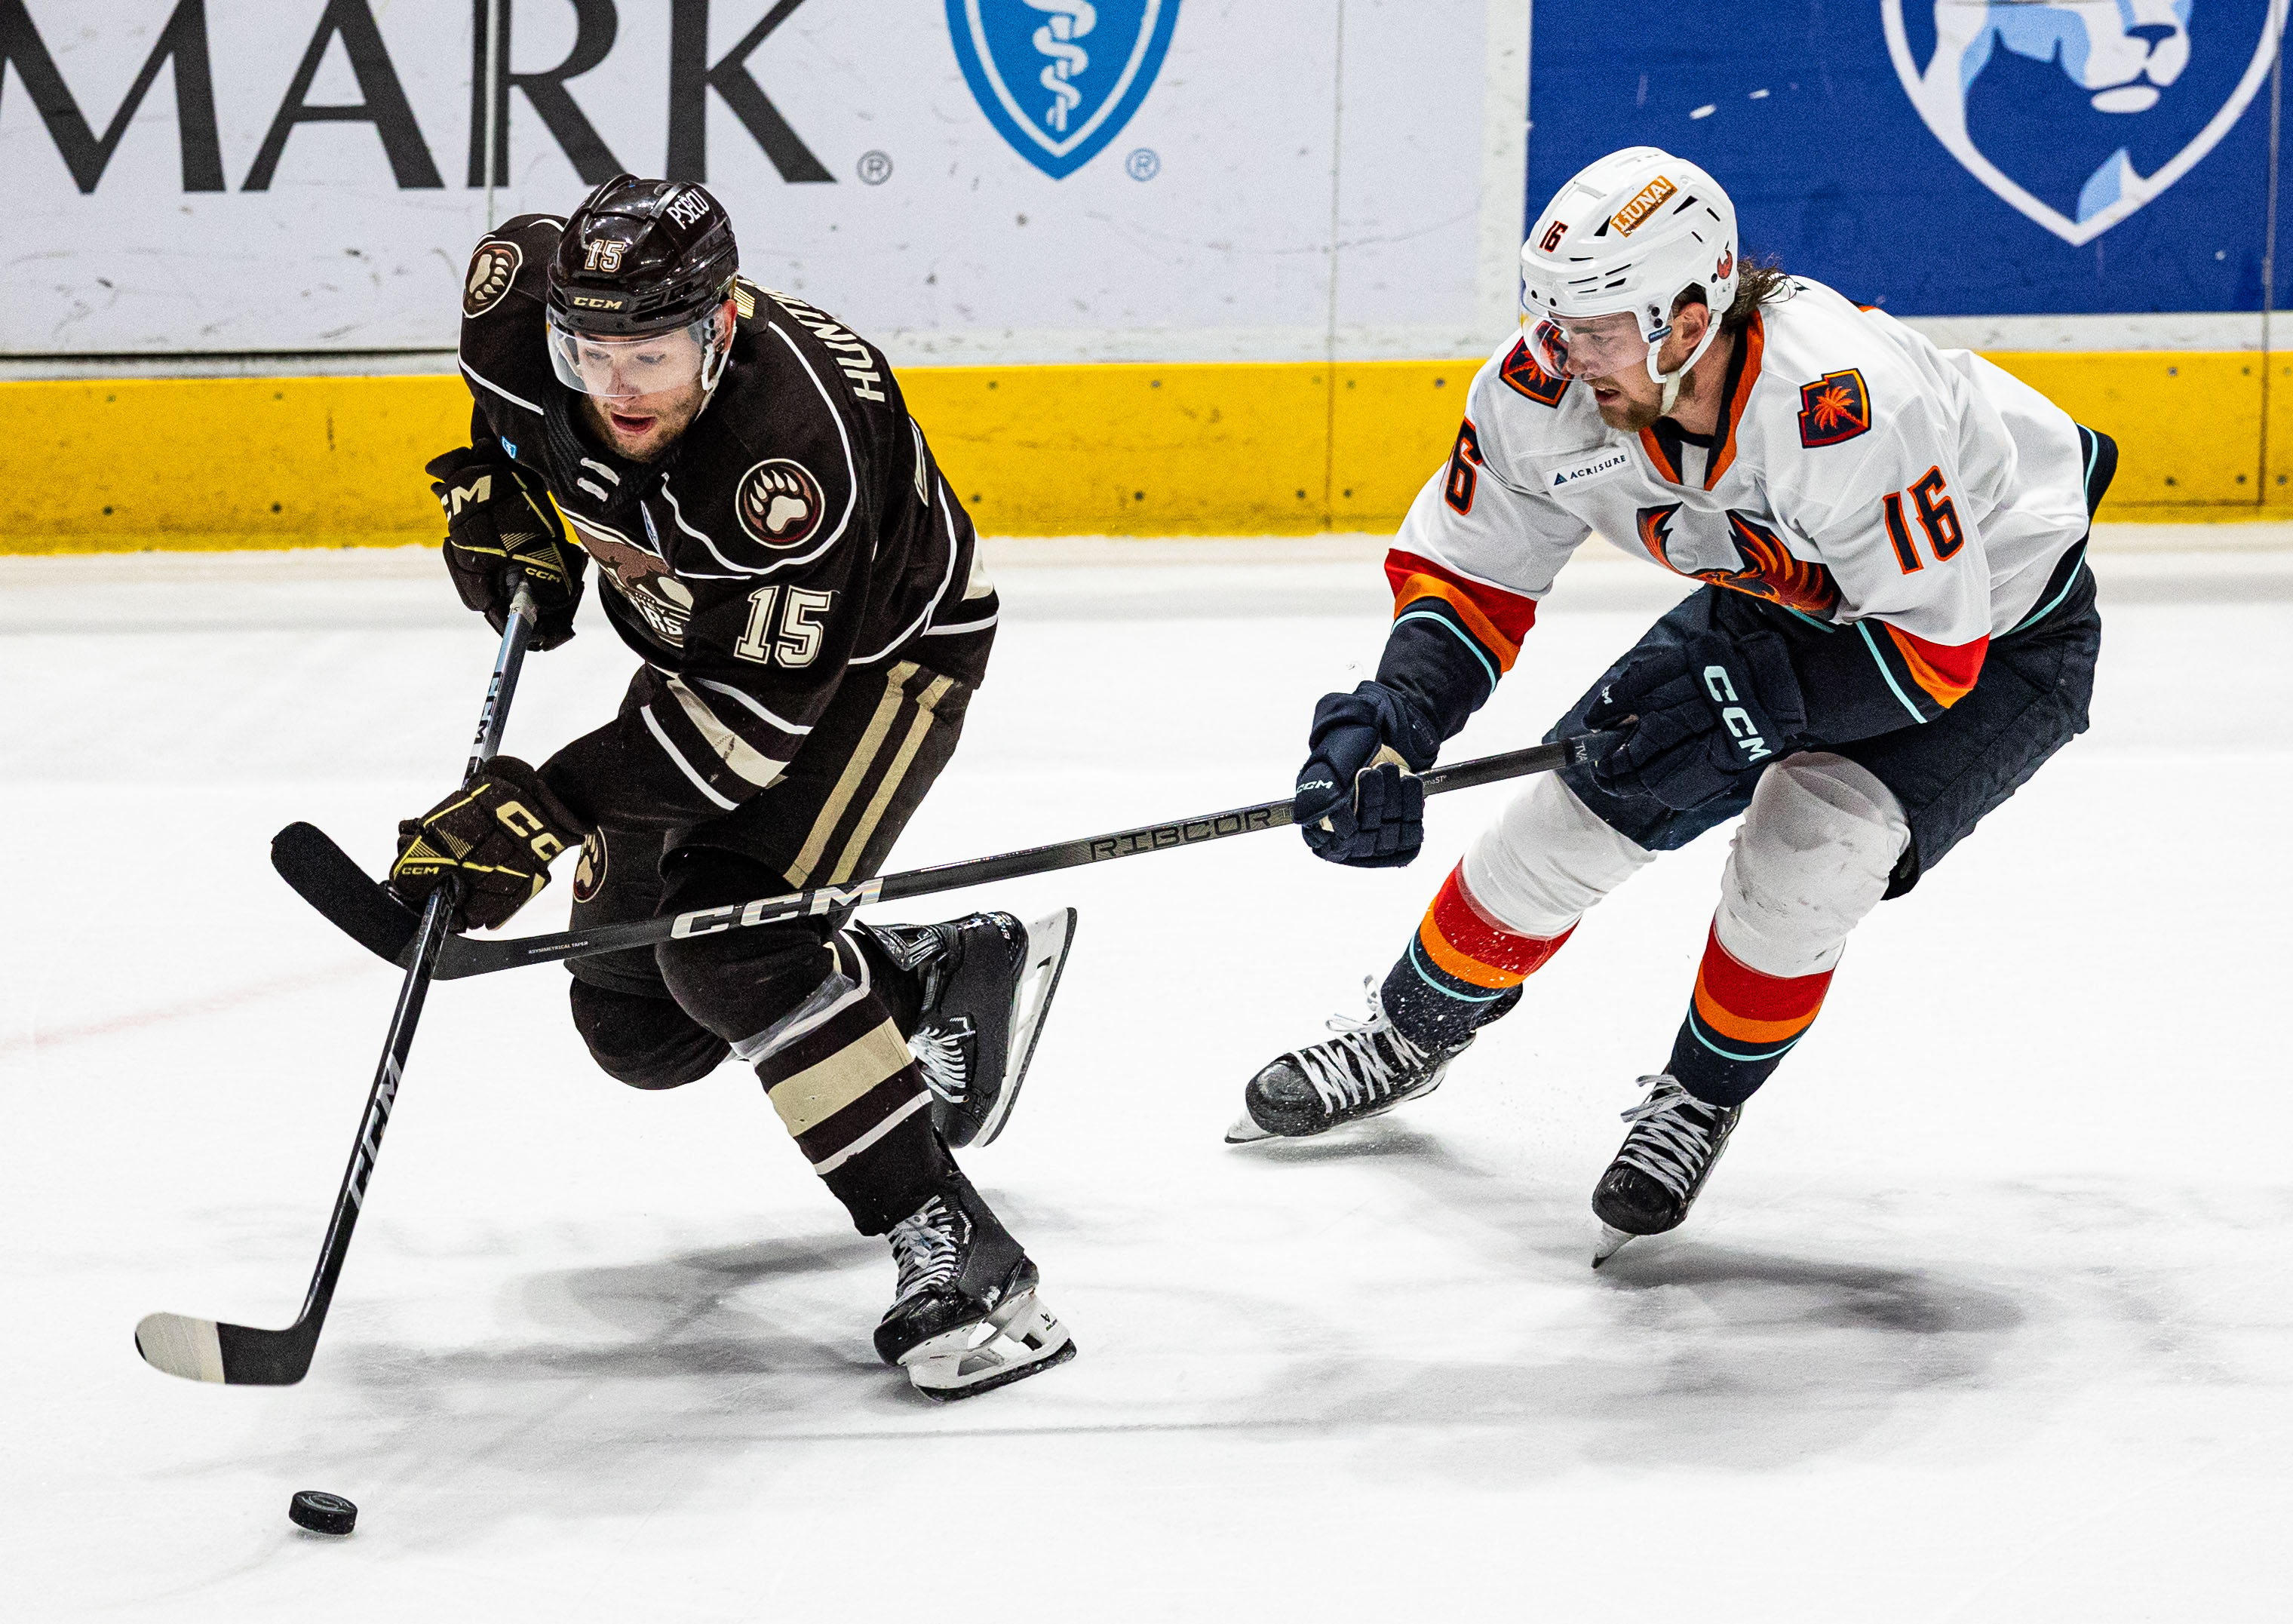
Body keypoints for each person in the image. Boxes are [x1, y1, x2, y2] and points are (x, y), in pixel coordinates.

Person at [1232, 146, 2111, 1263]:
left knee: (1812, 843)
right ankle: (1407, 1030)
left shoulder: (1837, 403)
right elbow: (1478, 574)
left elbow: (1937, 649)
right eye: (1552, 322)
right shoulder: (1543, 389)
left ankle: (1700, 1096)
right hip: (1803, 609)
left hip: (1999, 636)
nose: (1563, 355)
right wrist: (1398, 713)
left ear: (1691, 313)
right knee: (1578, 808)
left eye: (1595, 327)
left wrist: (1759, 706)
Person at [386, 174, 1079, 1396]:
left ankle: (958, 1245)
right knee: (637, 1025)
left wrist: (546, 804)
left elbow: (748, 736)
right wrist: (497, 496)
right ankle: (926, 977)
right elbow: (507, 415)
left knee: (727, 940)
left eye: (650, 353)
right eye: (587, 353)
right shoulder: (517, 308)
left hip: (879, 665)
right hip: (708, 656)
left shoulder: (784, 463)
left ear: (723, 325)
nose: (616, 388)